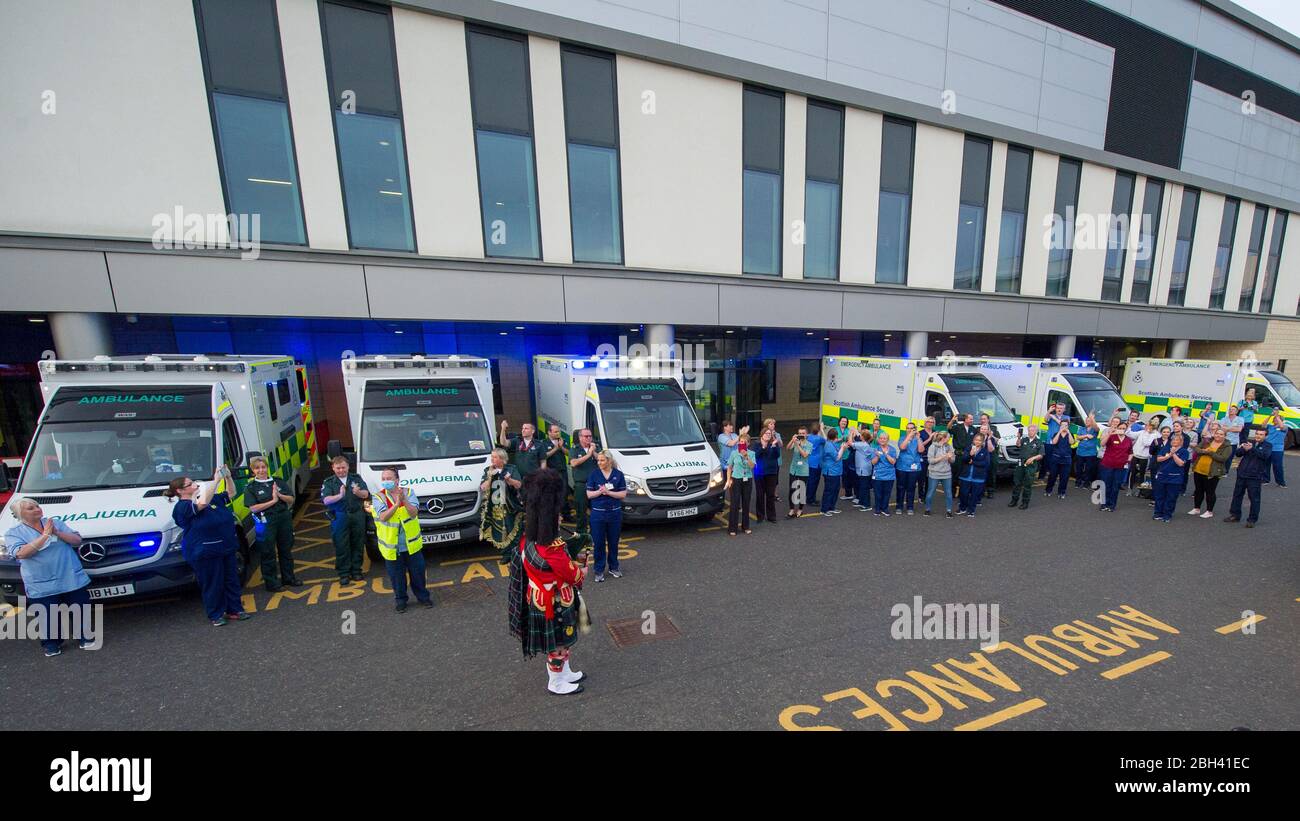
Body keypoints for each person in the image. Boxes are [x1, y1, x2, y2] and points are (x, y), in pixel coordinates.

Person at [507, 468, 588, 696]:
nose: (560, 516)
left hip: (539, 597)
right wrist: (583, 568)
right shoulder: (552, 549)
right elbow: (573, 575)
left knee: (563, 640)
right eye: (557, 514)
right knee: (559, 643)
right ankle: (556, 682)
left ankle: (565, 673)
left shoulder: (528, 540)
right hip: (555, 602)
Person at [3, 497, 93, 656]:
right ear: (20, 514)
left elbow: (77, 540)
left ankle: (85, 637)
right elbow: (21, 553)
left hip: (69, 576)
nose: (37, 509)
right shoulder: (14, 533)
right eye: (30, 508)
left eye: (37, 506)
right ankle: (52, 644)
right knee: (47, 614)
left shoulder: (55, 523)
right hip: (41, 582)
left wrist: (57, 532)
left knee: (79, 608)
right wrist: (45, 536)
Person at [166, 469, 251, 626]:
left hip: (225, 547)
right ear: (180, 490)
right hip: (205, 552)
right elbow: (202, 504)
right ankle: (216, 614)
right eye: (190, 484)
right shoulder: (183, 507)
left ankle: (235, 610)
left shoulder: (211, 499)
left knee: (231, 580)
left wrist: (228, 477)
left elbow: (230, 493)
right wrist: (216, 480)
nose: (195, 484)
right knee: (213, 583)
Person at [371, 467, 432, 612]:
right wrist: (397, 505)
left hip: (411, 544)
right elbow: (383, 516)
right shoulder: (378, 497)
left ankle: (423, 598)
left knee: (418, 574)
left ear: (397, 480)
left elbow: (413, 513)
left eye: (389, 478)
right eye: (383, 479)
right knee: (397, 578)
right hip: (392, 547)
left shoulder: (408, 492)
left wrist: (405, 501)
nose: (386, 481)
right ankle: (401, 601)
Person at [243, 455, 300, 592]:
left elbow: (291, 499)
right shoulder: (251, 487)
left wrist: (280, 496)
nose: (261, 470)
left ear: (267, 468)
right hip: (265, 521)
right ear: (253, 471)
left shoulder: (278, 482)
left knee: (286, 549)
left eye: (263, 467)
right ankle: (272, 583)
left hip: (283, 518)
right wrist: (273, 501)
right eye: (257, 468)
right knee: (267, 551)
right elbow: (253, 508)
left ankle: (289, 578)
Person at [321, 456, 369, 585]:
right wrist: (339, 496)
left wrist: (358, 493)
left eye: (343, 467)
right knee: (341, 544)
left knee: (358, 543)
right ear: (333, 468)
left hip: (356, 514)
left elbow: (366, 494)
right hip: (340, 516)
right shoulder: (329, 482)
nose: (341, 470)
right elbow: (326, 500)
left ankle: (356, 571)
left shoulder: (356, 478)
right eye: (338, 468)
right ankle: (344, 573)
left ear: (348, 467)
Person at [585, 450, 627, 580]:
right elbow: (589, 494)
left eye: (602, 460)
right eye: (598, 460)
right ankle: (599, 570)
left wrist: (609, 493)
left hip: (614, 514)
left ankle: (614, 567)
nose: (599, 463)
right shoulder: (594, 475)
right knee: (598, 543)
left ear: (609, 461)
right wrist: (600, 491)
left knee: (613, 542)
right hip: (598, 514)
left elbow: (623, 494)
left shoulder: (618, 475)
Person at [480, 448, 524, 561]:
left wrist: (509, 480)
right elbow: (482, 487)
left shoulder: (511, 468)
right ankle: (505, 554)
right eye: (492, 456)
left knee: (513, 528)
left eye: (495, 457)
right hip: (495, 507)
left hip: (511, 505)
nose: (492, 459)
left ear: (502, 459)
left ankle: (515, 553)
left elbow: (519, 485)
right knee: (498, 530)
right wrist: (490, 477)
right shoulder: (487, 470)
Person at [1226, 427, 1272, 527]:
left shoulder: (1268, 445)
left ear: (1265, 436)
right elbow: (1238, 454)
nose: (1258, 436)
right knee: (1237, 495)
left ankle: (1252, 519)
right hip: (1242, 473)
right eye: (1257, 434)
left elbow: (1264, 456)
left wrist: (1252, 449)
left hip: (1255, 476)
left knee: (1254, 498)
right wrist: (1242, 448)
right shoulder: (1249, 442)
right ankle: (1235, 515)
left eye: (1261, 434)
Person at [1188, 428, 1232, 519]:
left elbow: (1223, 458)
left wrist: (1211, 453)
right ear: (1214, 434)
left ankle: (1209, 511)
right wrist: (1204, 451)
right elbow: (1196, 448)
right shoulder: (1207, 441)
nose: (1218, 436)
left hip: (1213, 472)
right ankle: (1196, 508)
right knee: (1198, 490)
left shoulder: (1227, 446)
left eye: (1221, 434)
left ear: (1225, 436)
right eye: (1217, 433)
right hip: (1199, 469)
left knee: (1210, 492)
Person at [1151, 431, 1190, 523]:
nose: (1174, 441)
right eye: (1173, 439)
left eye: (1177, 440)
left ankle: (1167, 515)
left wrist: (1174, 454)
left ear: (1181, 442)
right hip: (1162, 476)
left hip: (1175, 478)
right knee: (1159, 496)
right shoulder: (1165, 448)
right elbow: (1159, 459)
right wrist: (1169, 455)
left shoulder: (1184, 451)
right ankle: (1158, 513)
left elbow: (1181, 463)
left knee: (1171, 497)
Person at [569, 428, 598, 538]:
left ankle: (595, 532)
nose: (589, 438)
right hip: (581, 484)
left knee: (596, 509)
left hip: (595, 485)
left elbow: (603, 461)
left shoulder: (595, 448)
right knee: (581, 510)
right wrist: (588, 455)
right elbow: (573, 463)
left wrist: (593, 452)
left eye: (590, 436)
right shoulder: (575, 449)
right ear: (580, 437)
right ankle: (581, 534)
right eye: (586, 436)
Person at [1007, 423, 1045, 510]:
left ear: (1036, 432)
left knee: (1027, 485)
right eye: (1029, 430)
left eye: (1032, 430)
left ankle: (1025, 502)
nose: (1030, 432)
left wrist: (1033, 458)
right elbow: (1018, 445)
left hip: (1030, 466)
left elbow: (1041, 455)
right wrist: (1019, 437)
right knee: (1017, 483)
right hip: (1020, 464)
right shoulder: (1024, 439)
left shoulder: (1039, 442)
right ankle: (1014, 500)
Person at [1097, 421, 1133, 512]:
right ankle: (1104, 504)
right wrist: (1110, 433)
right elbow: (1102, 444)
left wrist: (1128, 461)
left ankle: (1112, 505)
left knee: (1116, 486)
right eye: (1120, 428)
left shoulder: (1128, 440)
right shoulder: (1112, 437)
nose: (1121, 430)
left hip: (1120, 467)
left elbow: (1131, 452)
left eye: (1123, 428)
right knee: (1106, 484)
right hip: (1107, 465)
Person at [956, 433, 992, 517]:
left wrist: (974, 462)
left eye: (979, 440)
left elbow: (986, 464)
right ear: (973, 440)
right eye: (976, 440)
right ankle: (962, 508)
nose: (977, 442)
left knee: (974, 495)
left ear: (982, 442)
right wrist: (970, 454)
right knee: (963, 493)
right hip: (965, 476)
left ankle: (971, 510)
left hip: (978, 477)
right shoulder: (968, 448)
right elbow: (964, 459)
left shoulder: (985, 451)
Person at [725, 434, 755, 535]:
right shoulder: (734, 453)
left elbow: (752, 467)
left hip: (748, 480)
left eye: (744, 442)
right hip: (736, 479)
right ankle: (732, 528)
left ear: (748, 443)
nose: (741, 444)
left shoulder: (751, 453)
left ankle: (745, 526)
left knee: (746, 503)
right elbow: (729, 467)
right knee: (734, 503)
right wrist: (728, 480)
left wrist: (746, 456)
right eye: (740, 442)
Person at [924, 429, 956, 517]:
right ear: (943, 438)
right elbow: (930, 461)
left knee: (948, 493)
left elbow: (953, 461)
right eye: (948, 438)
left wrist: (949, 458)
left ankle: (949, 511)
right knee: (931, 492)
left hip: (947, 473)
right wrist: (942, 457)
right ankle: (927, 509)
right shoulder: (933, 447)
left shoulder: (949, 447)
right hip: (934, 473)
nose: (949, 439)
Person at [753, 428, 781, 524]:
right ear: (762, 434)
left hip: (772, 472)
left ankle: (771, 516)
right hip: (759, 473)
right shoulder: (757, 444)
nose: (768, 435)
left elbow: (777, 455)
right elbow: (755, 455)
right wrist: (763, 447)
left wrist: (773, 446)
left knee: (770, 495)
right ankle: (760, 516)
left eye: (770, 434)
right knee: (760, 495)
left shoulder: (773, 443)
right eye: (767, 433)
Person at [819, 428, 848, 515]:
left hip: (836, 472)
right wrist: (843, 448)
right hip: (830, 472)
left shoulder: (831, 443)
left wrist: (843, 448)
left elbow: (838, 452)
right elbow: (837, 458)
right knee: (829, 491)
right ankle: (824, 509)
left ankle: (831, 507)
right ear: (835, 436)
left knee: (835, 490)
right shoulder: (829, 446)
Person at [895, 422, 923, 515]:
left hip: (914, 469)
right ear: (906, 429)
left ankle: (910, 507)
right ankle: (899, 506)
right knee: (900, 487)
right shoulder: (902, 438)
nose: (910, 430)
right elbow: (902, 447)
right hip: (902, 467)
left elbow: (921, 450)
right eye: (908, 428)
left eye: (912, 428)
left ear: (915, 429)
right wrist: (909, 437)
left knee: (911, 488)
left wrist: (918, 438)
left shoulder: (918, 439)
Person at [1044, 419, 1075, 499]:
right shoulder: (1055, 434)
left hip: (1066, 459)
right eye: (1062, 425)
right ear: (1060, 426)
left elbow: (1072, 442)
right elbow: (1054, 442)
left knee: (1064, 477)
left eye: (1065, 425)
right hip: (1056, 458)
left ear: (1068, 426)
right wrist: (1059, 432)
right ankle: (1048, 490)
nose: (1064, 427)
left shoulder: (1070, 434)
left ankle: (1061, 492)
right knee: (1052, 476)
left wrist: (1068, 432)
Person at [544, 424, 570, 517]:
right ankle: (553, 514)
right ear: (549, 432)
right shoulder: (544, 443)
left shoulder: (562, 441)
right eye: (555, 432)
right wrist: (555, 448)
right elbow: (544, 456)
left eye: (558, 431)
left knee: (564, 492)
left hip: (562, 471)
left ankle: (566, 514)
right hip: (550, 472)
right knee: (552, 493)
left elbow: (569, 453)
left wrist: (561, 447)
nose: (558, 433)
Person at [848, 427, 875, 512]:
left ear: (862, 437)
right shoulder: (864, 444)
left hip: (864, 469)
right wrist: (856, 432)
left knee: (864, 487)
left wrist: (851, 433)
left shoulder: (862, 445)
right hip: (863, 468)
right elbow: (855, 442)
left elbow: (850, 443)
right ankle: (862, 502)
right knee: (862, 486)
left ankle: (867, 505)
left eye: (861, 435)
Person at [871, 431, 898, 517]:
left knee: (887, 493)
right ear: (878, 440)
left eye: (884, 438)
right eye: (881, 438)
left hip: (889, 475)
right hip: (878, 475)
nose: (882, 440)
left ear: (888, 440)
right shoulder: (875, 449)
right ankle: (878, 509)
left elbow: (893, 462)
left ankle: (885, 508)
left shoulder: (892, 449)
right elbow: (873, 462)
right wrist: (877, 456)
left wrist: (886, 455)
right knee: (878, 493)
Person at [787, 428, 812, 518]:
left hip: (803, 470)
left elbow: (805, 455)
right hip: (793, 469)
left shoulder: (809, 444)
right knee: (792, 489)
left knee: (801, 490)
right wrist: (792, 440)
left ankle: (800, 509)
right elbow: (788, 448)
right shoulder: (795, 441)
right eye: (799, 433)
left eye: (803, 433)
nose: (801, 435)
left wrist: (798, 446)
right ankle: (791, 509)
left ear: (806, 434)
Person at [948, 414, 974, 496]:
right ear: (965, 419)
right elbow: (949, 428)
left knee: (966, 474)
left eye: (972, 419)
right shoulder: (957, 427)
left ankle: (963, 493)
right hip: (959, 455)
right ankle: (952, 492)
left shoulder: (973, 429)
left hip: (968, 455)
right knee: (956, 474)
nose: (972, 420)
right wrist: (952, 420)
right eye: (970, 419)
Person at [1074, 413, 1100, 490]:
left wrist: (1092, 419)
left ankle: (1086, 483)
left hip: (1091, 453)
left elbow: (1097, 428)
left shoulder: (1094, 430)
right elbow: (1078, 437)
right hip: (1080, 452)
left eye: (1089, 420)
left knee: (1089, 469)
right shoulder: (1082, 428)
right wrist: (1086, 436)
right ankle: (1078, 482)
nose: (1087, 422)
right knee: (1079, 468)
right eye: (1086, 420)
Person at [1262, 409, 1287, 487]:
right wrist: (1270, 415)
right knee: (1266, 465)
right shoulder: (1270, 426)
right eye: (1275, 419)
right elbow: (1263, 425)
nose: (1275, 419)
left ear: (1281, 420)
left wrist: (1277, 416)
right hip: (1267, 448)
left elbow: (1281, 426)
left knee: (1277, 466)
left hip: (1277, 449)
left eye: (1277, 419)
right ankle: (1265, 480)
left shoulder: (1285, 427)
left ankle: (1281, 483)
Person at [978, 414, 1000, 500]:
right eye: (981, 419)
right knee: (982, 473)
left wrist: (990, 435)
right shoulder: (979, 428)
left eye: (984, 419)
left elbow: (998, 439)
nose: (982, 420)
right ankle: (981, 491)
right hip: (982, 454)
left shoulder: (994, 428)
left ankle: (990, 491)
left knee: (991, 473)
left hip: (992, 454)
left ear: (988, 419)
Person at [805, 422, 825, 503]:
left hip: (809, 461)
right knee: (814, 482)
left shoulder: (808, 437)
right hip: (816, 463)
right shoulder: (819, 438)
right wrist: (822, 430)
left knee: (810, 481)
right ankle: (810, 499)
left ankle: (810, 497)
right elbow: (826, 440)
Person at [838, 418, 856, 499]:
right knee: (838, 474)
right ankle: (843, 491)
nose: (844, 423)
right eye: (842, 421)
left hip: (847, 455)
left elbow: (851, 441)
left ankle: (848, 493)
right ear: (839, 422)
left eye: (845, 422)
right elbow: (832, 439)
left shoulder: (849, 430)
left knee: (846, 475)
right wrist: (842, 439)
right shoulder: (835, 429)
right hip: (837, 455)